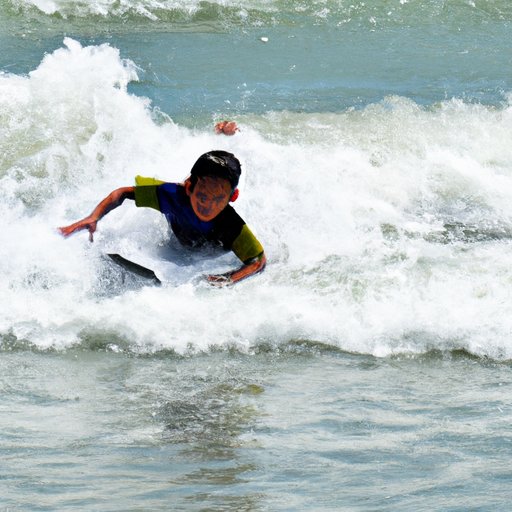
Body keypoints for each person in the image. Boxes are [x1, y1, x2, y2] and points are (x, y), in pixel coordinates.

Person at [58, 150, 266, 285]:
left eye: (218, 199)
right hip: (180, 244)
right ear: (189, 187)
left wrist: (226, 279)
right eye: (202, 196)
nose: (208, 205)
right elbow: (122, 193)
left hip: (213, 255)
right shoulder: (171, 196)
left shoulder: (232, 225)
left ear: (233, 197)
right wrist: (94, 217)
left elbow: (258, 262)